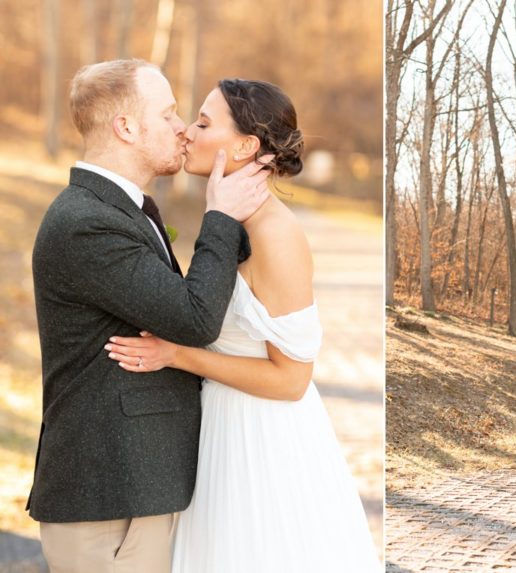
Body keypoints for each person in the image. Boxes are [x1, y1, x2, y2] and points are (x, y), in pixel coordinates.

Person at [105, 79, 381, 572]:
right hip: (220, 436)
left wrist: (176, 354)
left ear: (246, 146)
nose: (187, 132)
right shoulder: (231, 223)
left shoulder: (277, 236)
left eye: (204, 123)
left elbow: (292, 379)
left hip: (263, 445)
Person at [28, 59, 271, 573]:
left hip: (133, 492)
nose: (182, 127)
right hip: (106, 499)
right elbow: (193, 318)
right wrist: (221, 218)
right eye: (168, 115)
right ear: (126, 127)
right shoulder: (85, 223)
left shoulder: (121, 209)